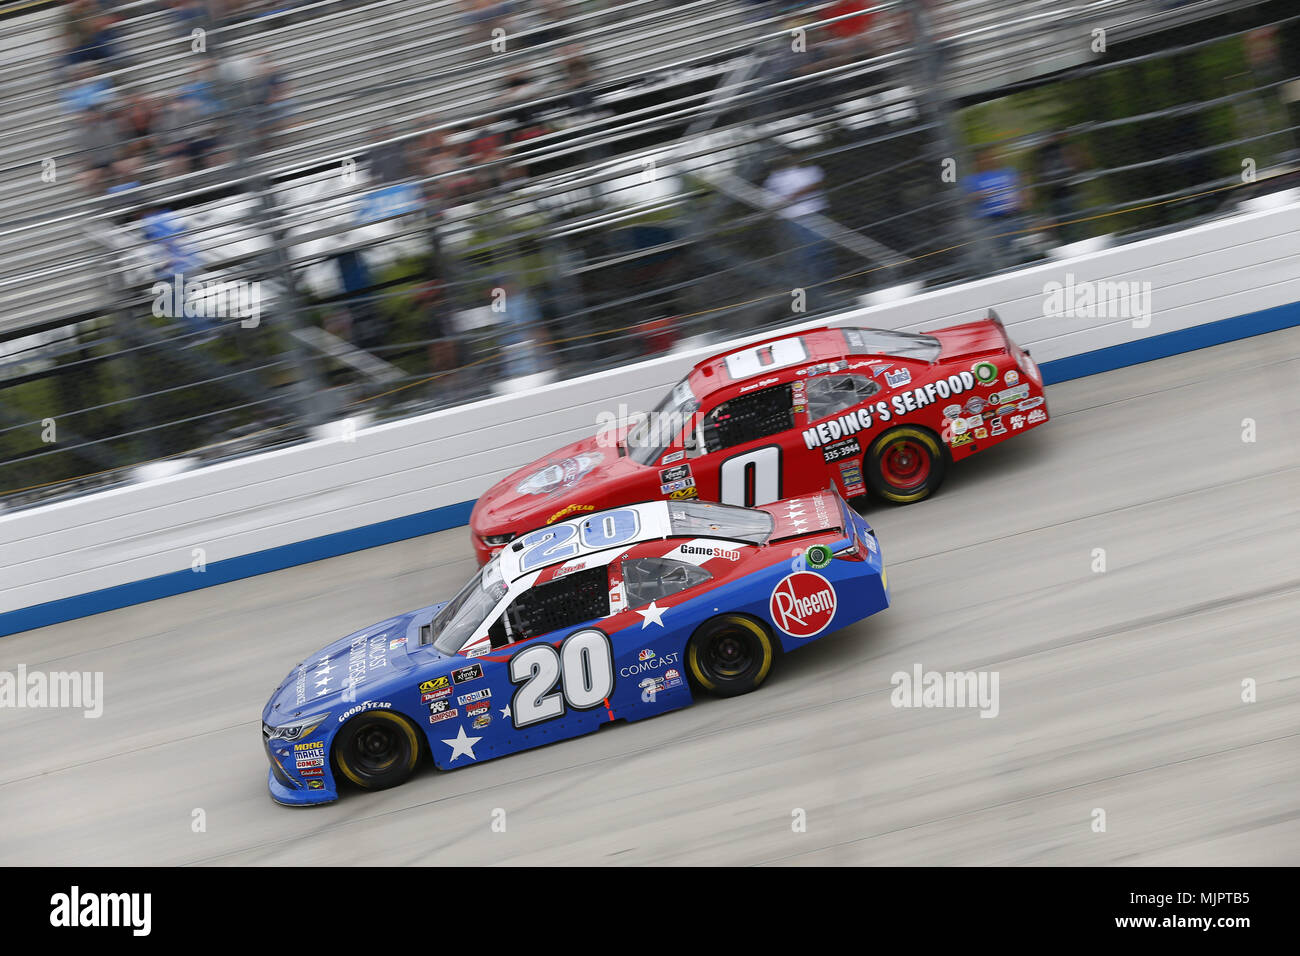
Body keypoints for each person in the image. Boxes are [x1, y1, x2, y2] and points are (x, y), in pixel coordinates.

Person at [763, 150, 835, 301]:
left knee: (823, 250)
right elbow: (769, 203)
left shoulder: (809, 170)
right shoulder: (773, 179)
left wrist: (793, 196)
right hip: (796, 219)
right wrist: (783, 203)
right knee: (809, 254)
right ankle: (818, 289)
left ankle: (826, 286)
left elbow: (816, 184)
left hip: (816, 213)